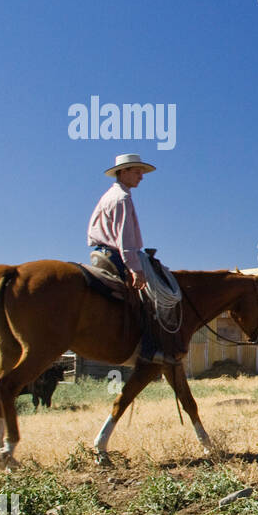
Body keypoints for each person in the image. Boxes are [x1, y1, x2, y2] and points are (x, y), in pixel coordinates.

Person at [87, 152, 176, 365]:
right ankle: (148, 348)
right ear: (123, 172)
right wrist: (136, 269)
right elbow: (125, 239)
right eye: (137, 172)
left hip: (102, 252)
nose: (141, 176)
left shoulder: (111, 195)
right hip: (116, 254)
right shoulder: (122, 198)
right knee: (151, 295)